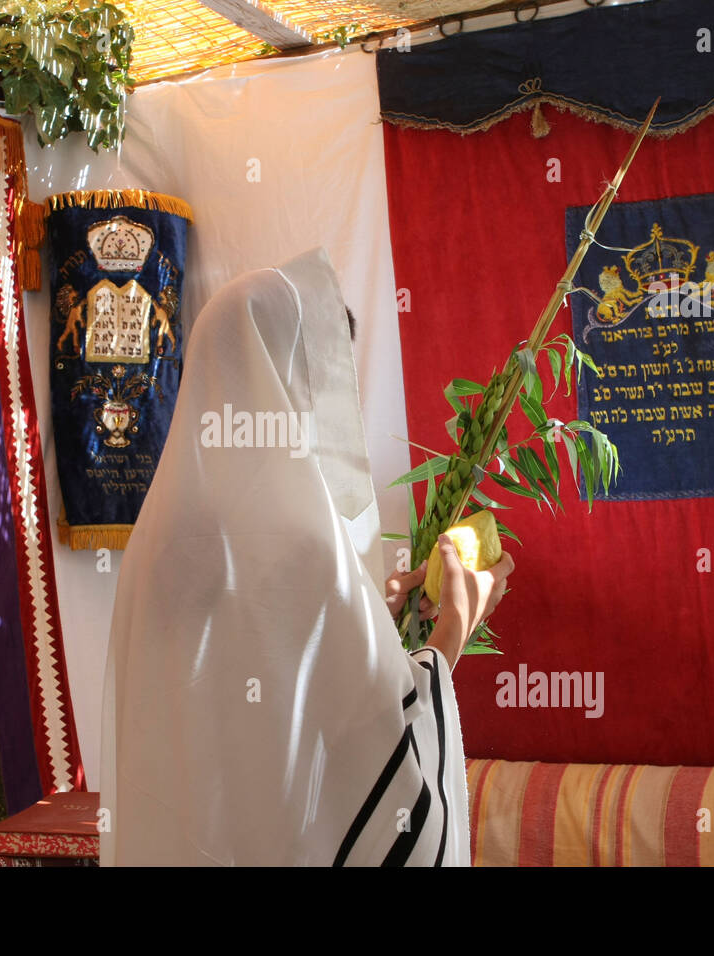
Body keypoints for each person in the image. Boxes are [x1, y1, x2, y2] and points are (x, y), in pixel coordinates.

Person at [100, 247, 514, 866]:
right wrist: (454, 627)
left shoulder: (159, 542)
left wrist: (366, 622)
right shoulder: (301, 549)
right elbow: (393, 804)